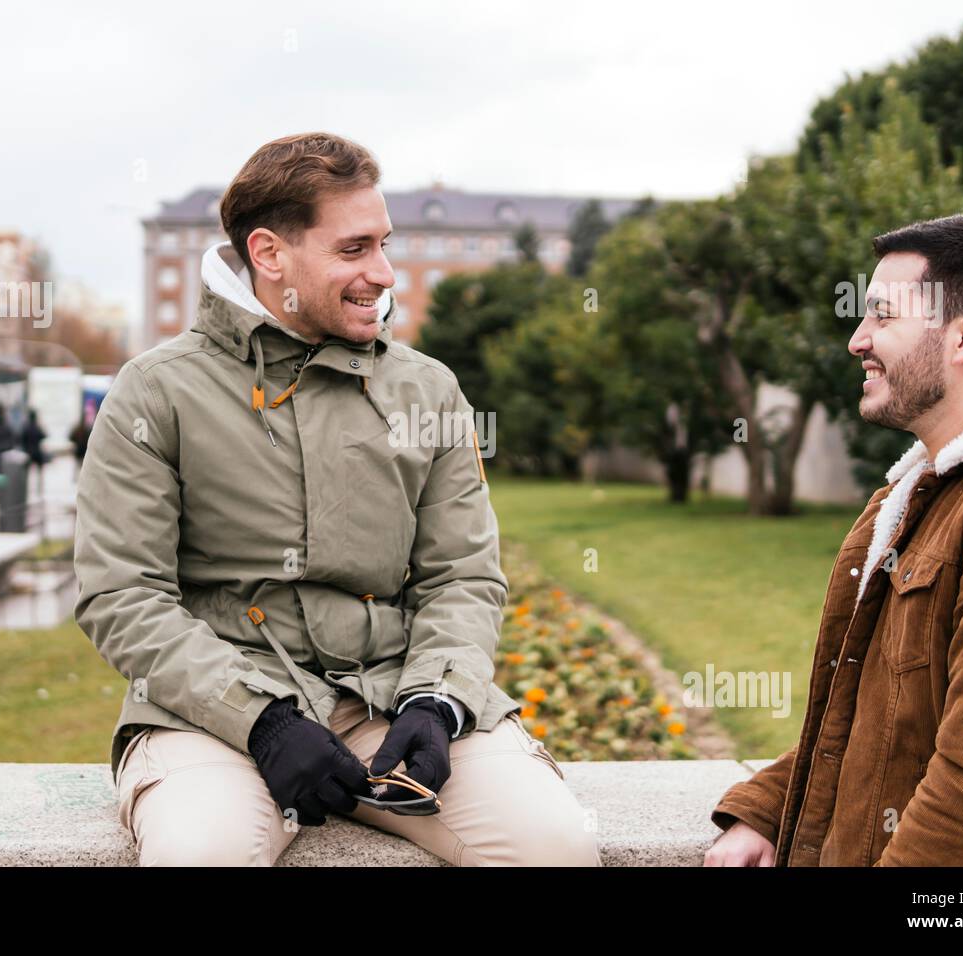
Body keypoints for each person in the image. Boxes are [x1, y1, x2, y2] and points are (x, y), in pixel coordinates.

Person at [74, 132, 598, 867]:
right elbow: (121, 593)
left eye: (384, 244)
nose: (384, 273)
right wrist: (262, 723)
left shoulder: (428, 389)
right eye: (355, 250)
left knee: (556, 846)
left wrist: (437, 700)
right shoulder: (157, 391)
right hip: (214, 718)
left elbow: (462, 576)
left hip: (393, 700)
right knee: (202, 853)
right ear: (270, 255)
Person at [705, 215, 963, 867]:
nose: (858, 340)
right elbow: (872, 717)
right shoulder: (912, 494)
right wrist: (765, 810)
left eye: (882, 316)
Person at [19, 408, 47, 496]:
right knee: (40, 473)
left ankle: (26, 489)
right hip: (37, 452)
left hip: (28, 453)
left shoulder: (26, 427)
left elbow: (21, 438)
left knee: (26, 473)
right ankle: (40, 490)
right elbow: (44, 435)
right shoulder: (37, 427)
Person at [67, 418, 90, 483]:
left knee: (77, 465)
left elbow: (70, 437)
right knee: (83, 465)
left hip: (78, 450)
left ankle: (76, 478)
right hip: (84, 450)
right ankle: (82, 478)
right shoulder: (86, 430)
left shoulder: (76, 430)